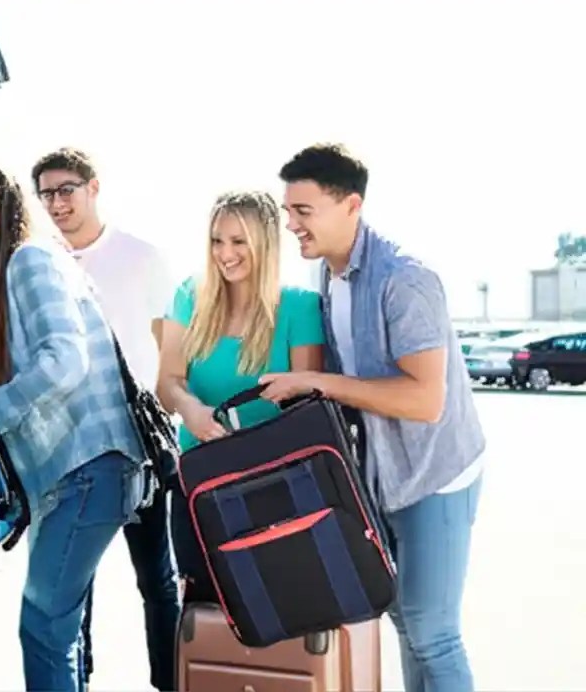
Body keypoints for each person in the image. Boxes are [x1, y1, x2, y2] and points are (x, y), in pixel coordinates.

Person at [261, 143, 484, 692]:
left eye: (303, 212)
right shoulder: (330, 277)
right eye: (288, 211)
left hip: (436, 475)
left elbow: (425, 401)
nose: (291, 224)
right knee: (406, 621)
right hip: (382, 479)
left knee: (433, 631)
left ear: (350, 205)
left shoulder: (403, 279)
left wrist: (316, 382)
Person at [0, 166, 146, 692]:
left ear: (8, 210)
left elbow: (64, 360)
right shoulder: (4, 278)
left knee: (45, 627)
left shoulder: (28, 259)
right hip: (70, 477)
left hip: (88, 467)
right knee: (57, 631)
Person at [30, 146, 179, 692]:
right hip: (69, 451)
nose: (56, 203)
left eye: (66, 189)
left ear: (94, 188)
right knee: (72, 587)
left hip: (140, 445)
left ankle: (170, 681)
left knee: (158, 580)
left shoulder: (141, 257)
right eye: (46, 194)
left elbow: (169, 349)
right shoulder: (39, 263)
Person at [156, 190, 325, 596]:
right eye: (217, 240)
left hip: (275, 487)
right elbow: (166, 385)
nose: (225, 253)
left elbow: (308, 409)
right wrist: (192, 410)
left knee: (276, 603)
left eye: (238, 241)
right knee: (203, 609)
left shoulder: (300, 306)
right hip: (200, 482)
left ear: (264, 243)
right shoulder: (188, 296)